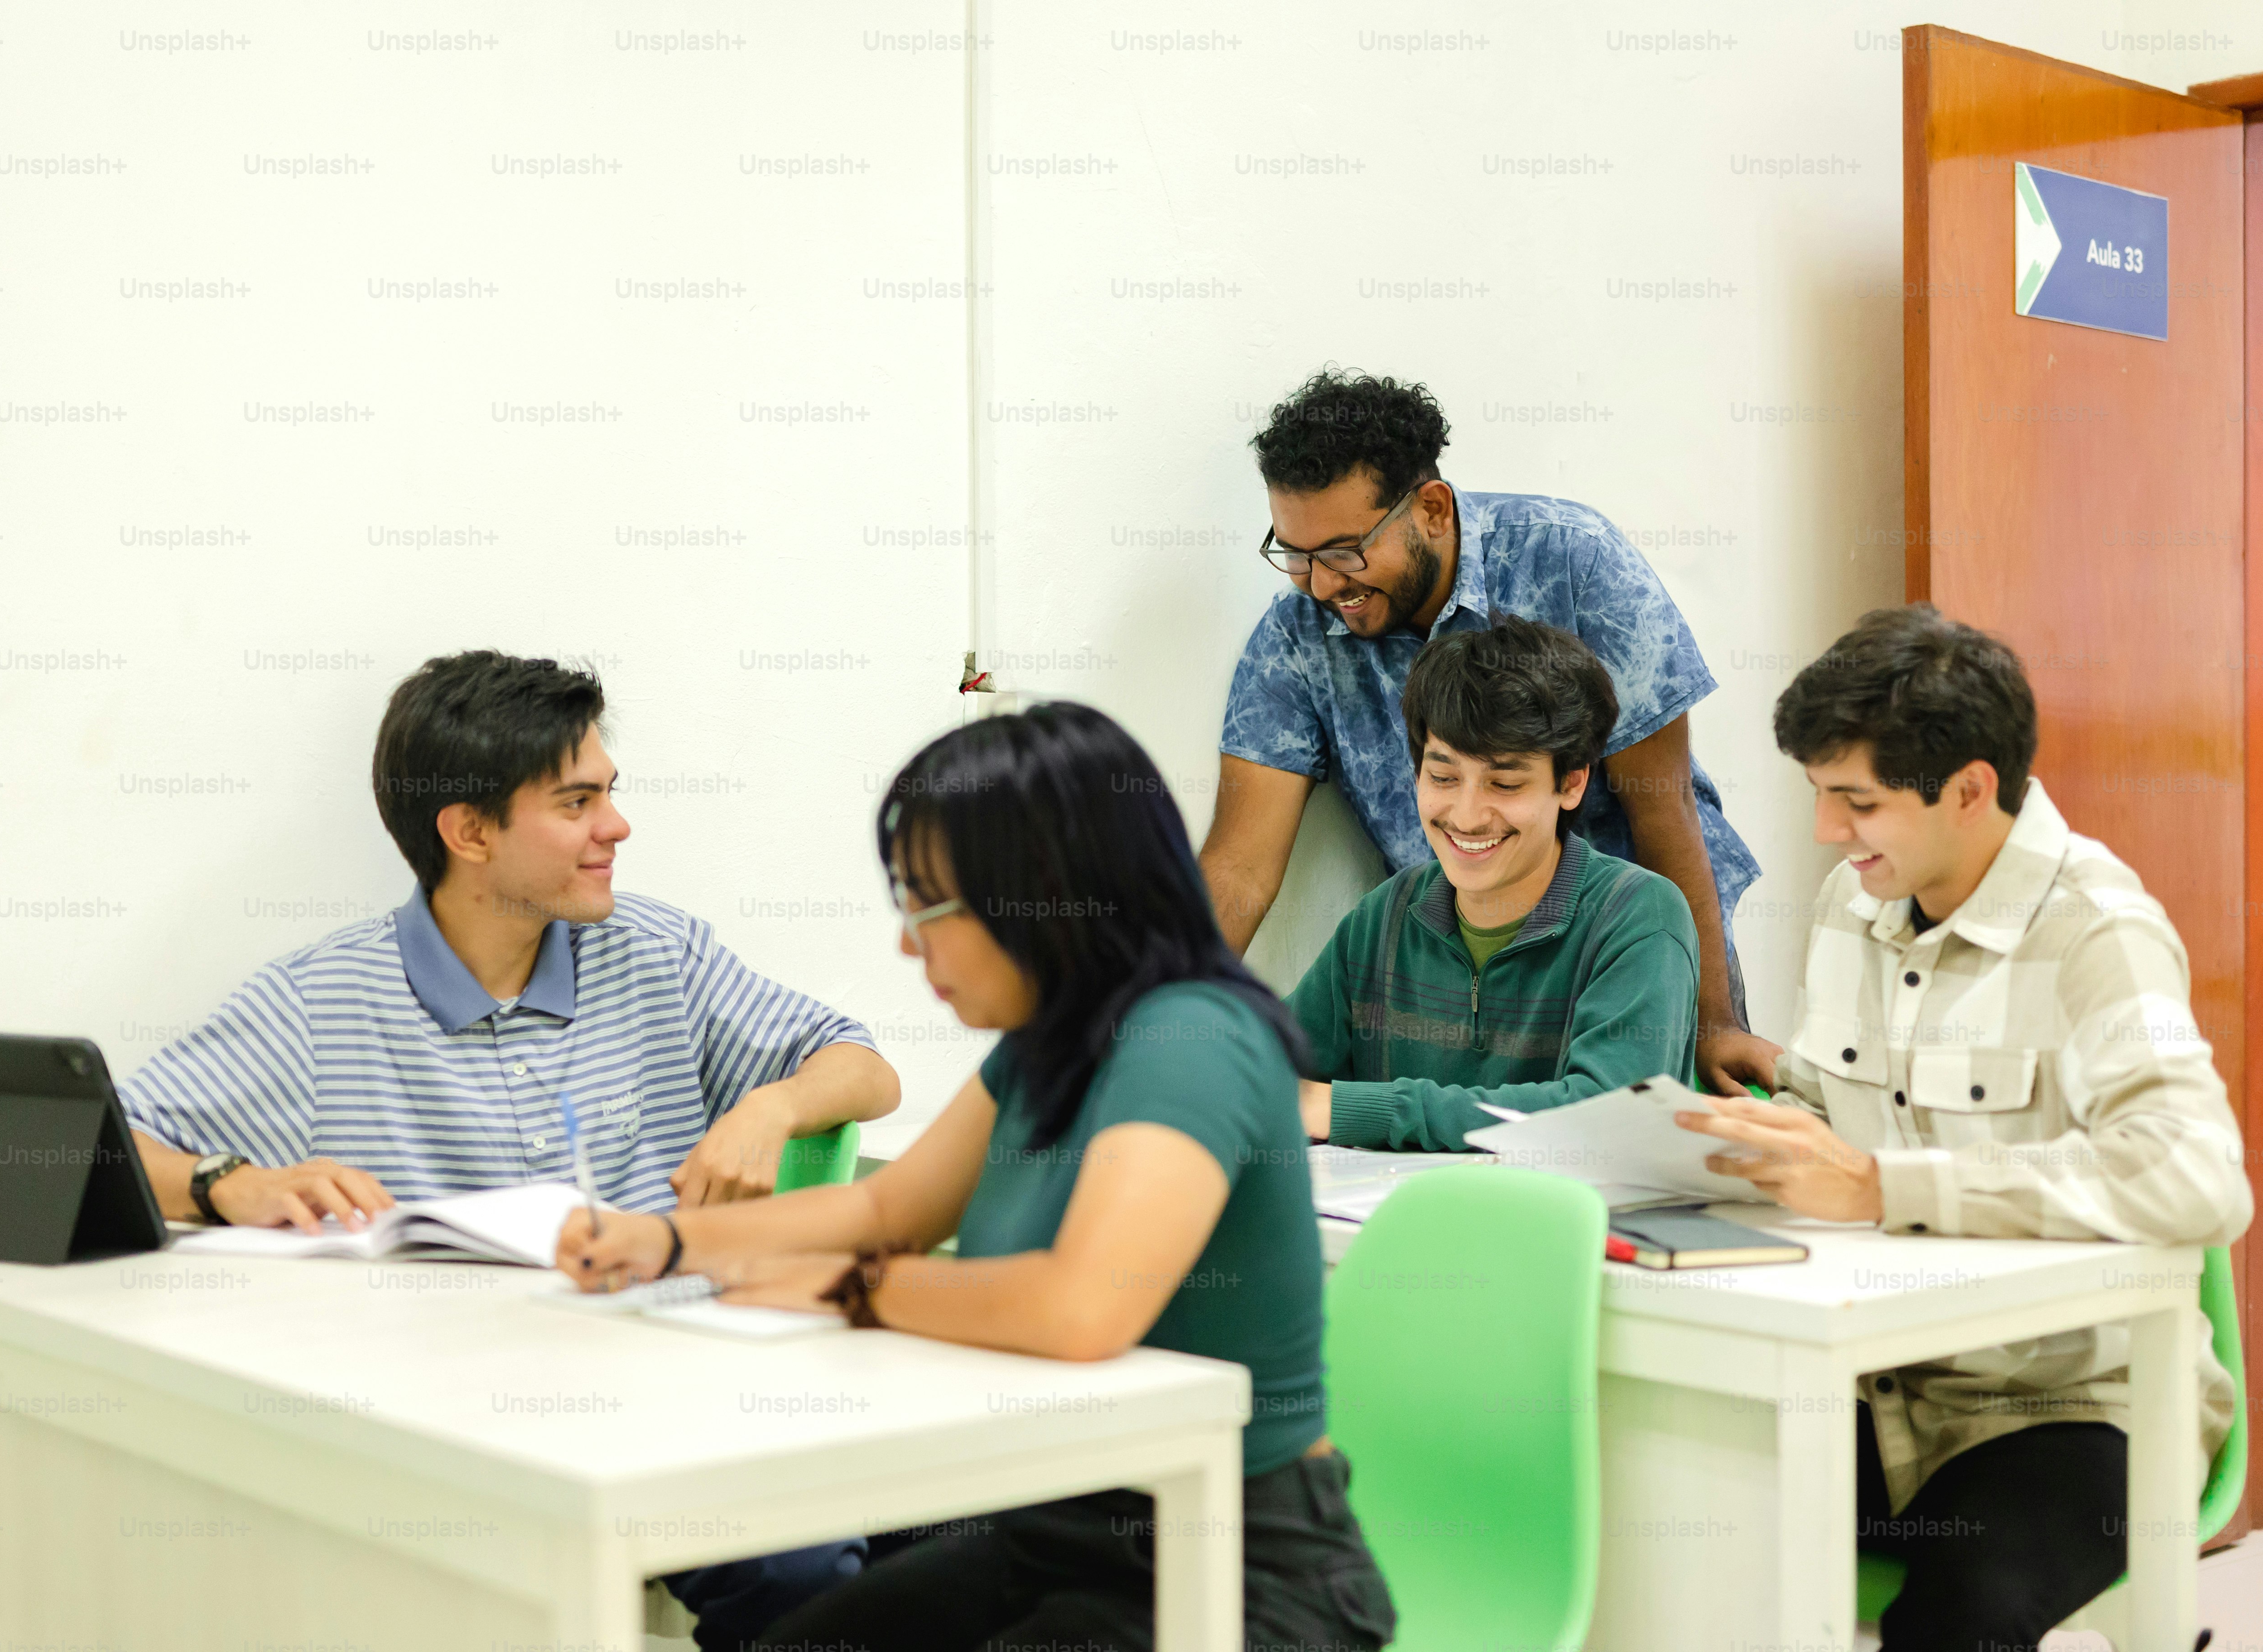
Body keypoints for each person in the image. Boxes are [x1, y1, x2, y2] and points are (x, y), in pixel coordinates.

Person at [555, 701, 1397, 1652]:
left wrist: (850, 1290)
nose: (909, 946)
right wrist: (665, 1242)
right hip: (1062, 1537)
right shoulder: (1056, 1036)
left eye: (927, 907)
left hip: (1239, 1571)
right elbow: (886, 1206)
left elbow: (1083, 1308)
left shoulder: (1189, 1037)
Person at [119, 650, 897, 1651]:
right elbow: (109, 1147)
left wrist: (776, 1105)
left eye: (611, 795)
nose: (615, 828)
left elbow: (865, 1069)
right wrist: (228, 1182)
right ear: (469, 832)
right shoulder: (322, 1000)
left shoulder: (657, 952)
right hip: (455, 1435)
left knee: (808, 1561)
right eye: (577, 803)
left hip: (682, 1393)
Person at [1677, 605, 2252, 1650]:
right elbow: (1819, 1109)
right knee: (1665, 1487)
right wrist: (1751, 1146)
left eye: (1855, 802)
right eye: (1819, 796)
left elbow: (2194, 1177)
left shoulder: (2096, 931)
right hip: (1873, 1376)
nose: (1825, 833)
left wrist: (1891, 1190)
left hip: (2071, 1403)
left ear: (1969, 789)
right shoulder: (1849, 907)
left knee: (1957, 1617)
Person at [1202, 367, 1770, 1094]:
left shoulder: (1573, 560)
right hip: (1466, 963)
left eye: (1344, 554)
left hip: (1629, 954)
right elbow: (1238, 868)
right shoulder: (1297, 635)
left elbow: (1664, 806)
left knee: (1621, 1156)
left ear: (1432, 509)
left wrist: (1712, 1022)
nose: (1319, 585)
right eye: (1295, 556)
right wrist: (1159, 1032)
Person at [1290, 617, 1699, 1148]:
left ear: (1572, 781)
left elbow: (1606, 1117)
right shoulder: (1384, 918)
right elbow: (1259, 1069)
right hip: (1398, 1224)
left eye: (1504, 783)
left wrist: (1361, 1109)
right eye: (1443, 777)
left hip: (1569, 1230)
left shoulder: (1639, 917)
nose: (1467, 815)